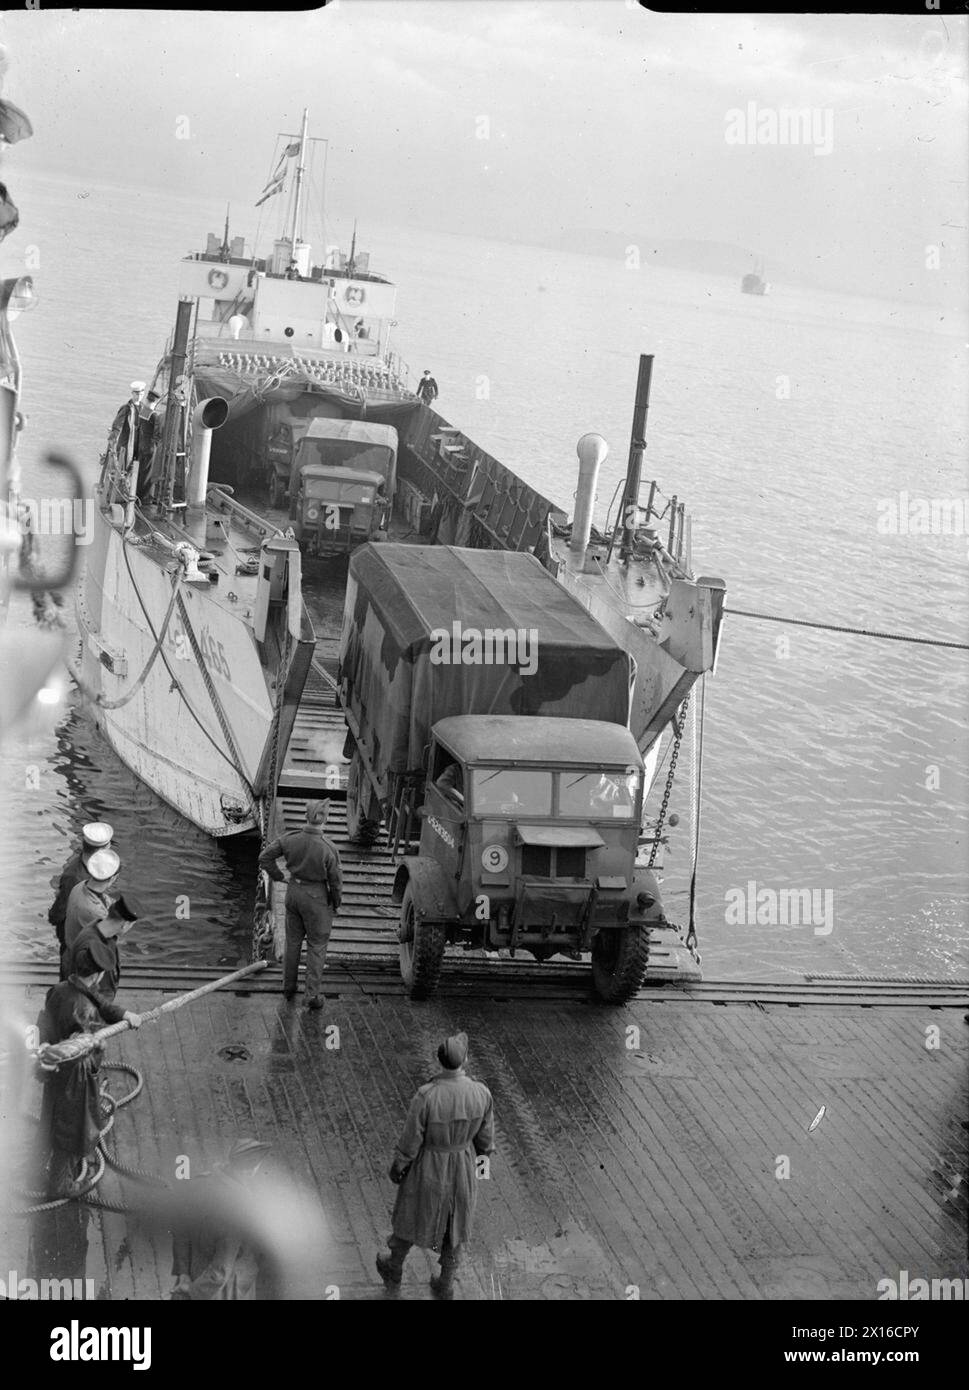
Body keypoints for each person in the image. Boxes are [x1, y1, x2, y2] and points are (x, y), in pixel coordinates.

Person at [376, 1031, 494, 1299]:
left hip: (428, 1165)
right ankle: (446, 1284)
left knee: (411, 1214)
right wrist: (480, 1170)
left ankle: (393, 1267)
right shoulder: (482, 1093)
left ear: (440, 1061)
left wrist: (398, 1166)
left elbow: (410, 1139)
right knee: (456, 1226)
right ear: (465, 1061)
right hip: (462, 1166)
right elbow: (486, 1142)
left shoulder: (427, 1095)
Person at [36, 968, 142, 1198]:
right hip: (75, 1077)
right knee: (73, 1126)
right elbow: (86, 1046)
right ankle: (61, 1185)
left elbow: (45, 1021)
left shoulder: (60, 989)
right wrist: (97, 1049)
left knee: (51, 1118)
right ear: (98, 975)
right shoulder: (85, 1008)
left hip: (53, 1073)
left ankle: (38, 1164)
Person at [257, 799, 342, 1010]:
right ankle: (312, 996)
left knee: (292, 942)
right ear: (325, 819)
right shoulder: (328, 848)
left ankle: (288, 987)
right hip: (317, 899)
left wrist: (278, 876)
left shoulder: (290, 839)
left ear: (306, 816)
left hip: (293, 893)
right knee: (317, 946)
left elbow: (265, 857)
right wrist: (336, 904)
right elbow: (335, 882)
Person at [169, 1139, 272, 1300]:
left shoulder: (197, 1184)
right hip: (221, 1289)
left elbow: (180, 1228)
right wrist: (192, 1291)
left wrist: (183, 1273)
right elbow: (220, 1272)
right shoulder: (238, 1213)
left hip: (191, 1273)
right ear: (250, 1170)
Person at [48, 822, 113, 952]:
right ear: (101, 851)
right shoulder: (73, 877)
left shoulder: (91, 867)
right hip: (73, 933)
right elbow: (61, 910)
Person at [64, 895, 141, 1002]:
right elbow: (87, 990)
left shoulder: (100, 929)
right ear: (125, 925)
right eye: (131, 925)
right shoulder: (92, 948)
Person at [61, 846, 123, 971]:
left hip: (71, 952)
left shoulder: (79, 886)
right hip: (85, 966)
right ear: (113, 878)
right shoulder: (95, 911)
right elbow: (115, 931)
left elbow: (105, 899)